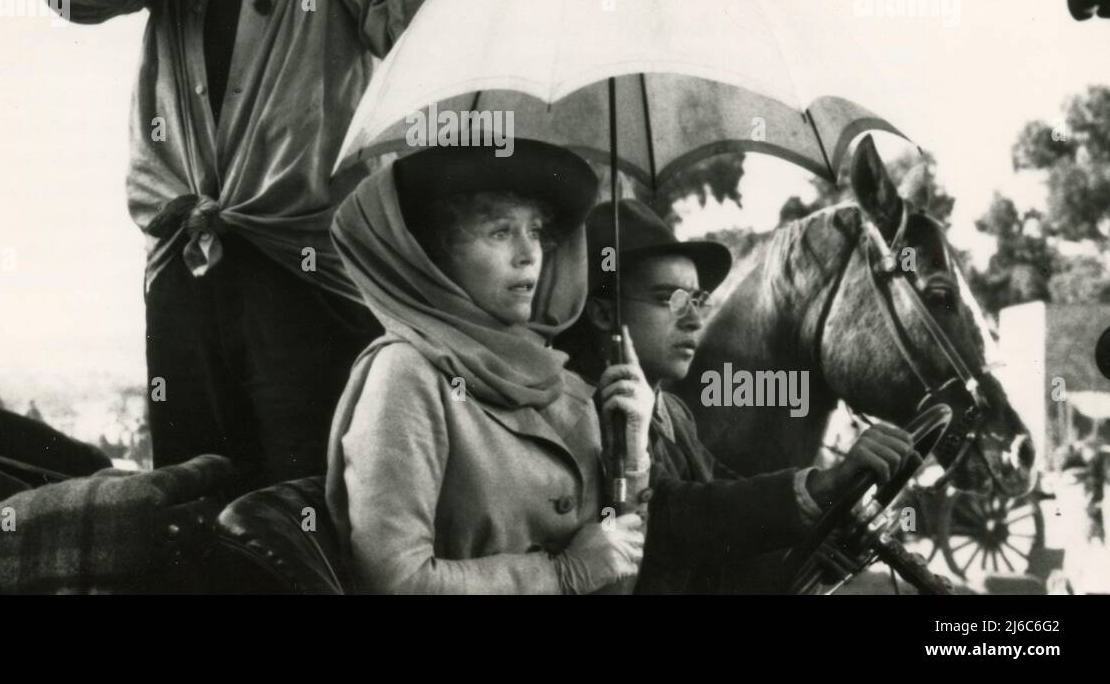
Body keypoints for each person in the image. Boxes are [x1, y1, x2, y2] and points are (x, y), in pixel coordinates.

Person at [38, 0, 460, 485]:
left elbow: (418, 44)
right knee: (194, 503)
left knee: (311, 508)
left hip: (309, 267)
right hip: (185, 270)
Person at [326, 142, 655, 594]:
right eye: (500, 233)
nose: (529, 254)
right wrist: (561, 576)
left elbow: (615, 579)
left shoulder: (561, 385)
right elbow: (397, 582)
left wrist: (631, 455)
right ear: (438, 258)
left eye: (536, 232)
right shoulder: (406, 372)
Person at [562, 199, 919, 593]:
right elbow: (682, 515)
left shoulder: (675, 415)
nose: (695, 320)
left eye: (697, 300)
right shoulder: (580, 414)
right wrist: (822, 486)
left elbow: (724, 527)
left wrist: (827, 530)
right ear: (602, 314)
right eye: (669, 299)